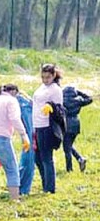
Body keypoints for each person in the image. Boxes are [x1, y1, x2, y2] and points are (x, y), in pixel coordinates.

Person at [32, 63, 64, 194]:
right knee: (37, 158)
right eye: (43, 77)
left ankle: (50, 188)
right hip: (37, 125)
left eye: (48, 77)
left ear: (53, 76)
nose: (45, 80)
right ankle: (45, 182)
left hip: (47, 126)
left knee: (46, 157)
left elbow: (60, 110)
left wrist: (51, 106)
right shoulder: (42, 87)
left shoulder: (55, 89)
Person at [62, 82, 92, 172]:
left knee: (67, 148)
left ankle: (69, 169)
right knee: (69, 145)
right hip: (76, 123)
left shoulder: (62, 101)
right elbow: (89, 99)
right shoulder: (78, 101)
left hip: (66, 124)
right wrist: (78, 92)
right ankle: (80, 159)